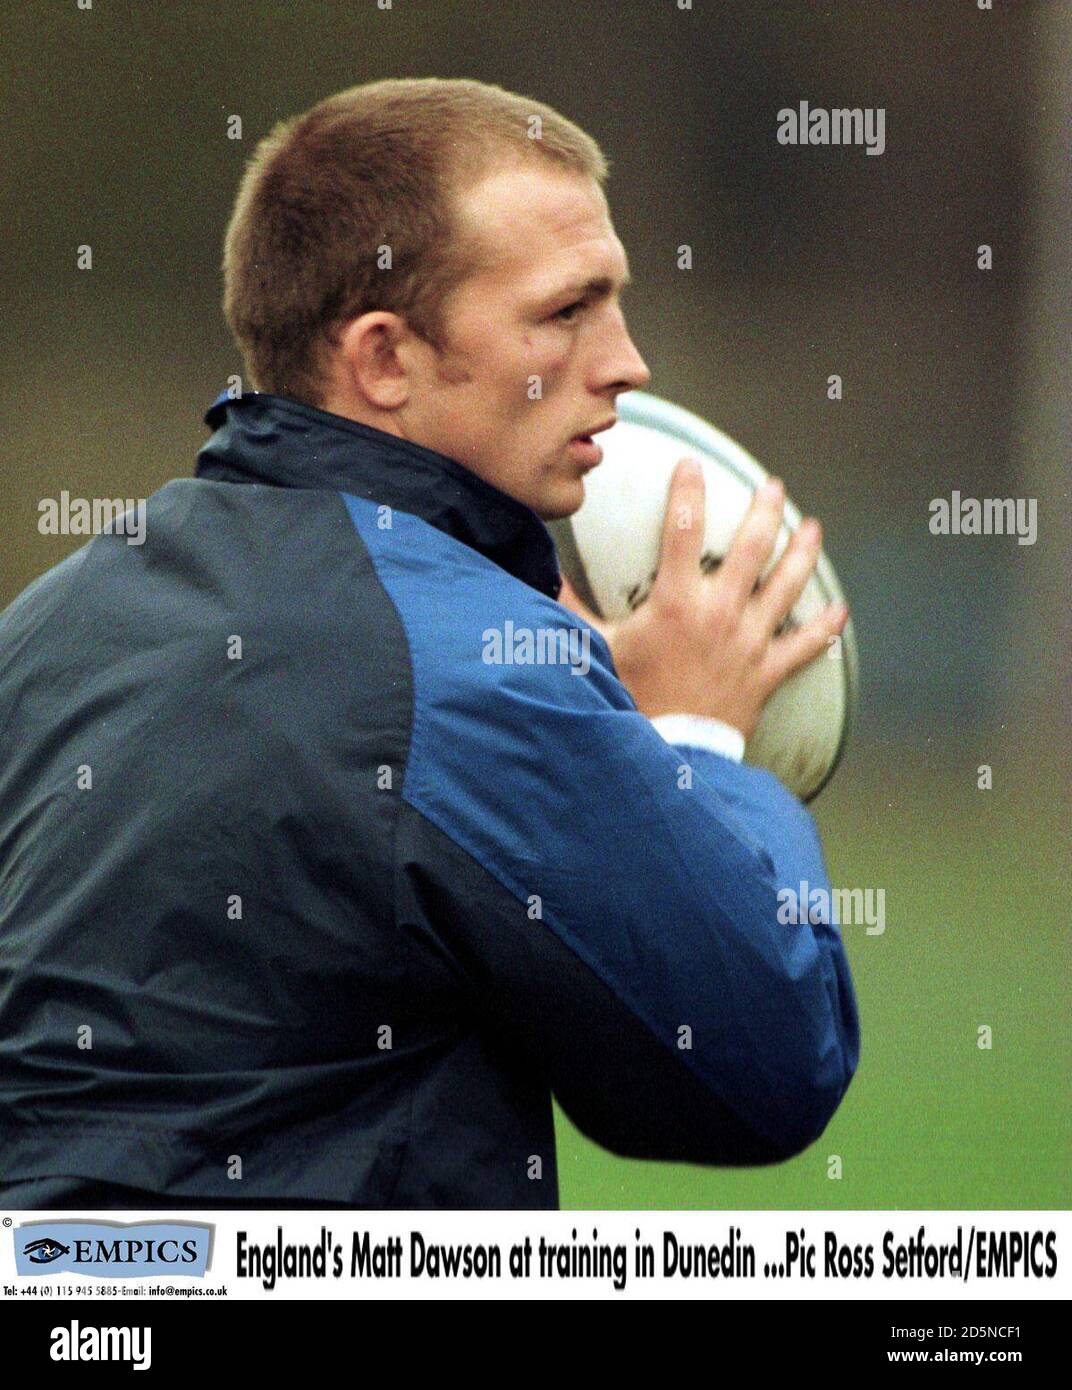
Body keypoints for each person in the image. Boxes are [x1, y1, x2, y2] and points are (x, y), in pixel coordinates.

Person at [0, 78, 858, 1210]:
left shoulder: (46, 627)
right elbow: (761, 1062)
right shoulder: (471, 672)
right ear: (384, 358)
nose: (626, 362)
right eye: (566, 313)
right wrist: (687, 742)